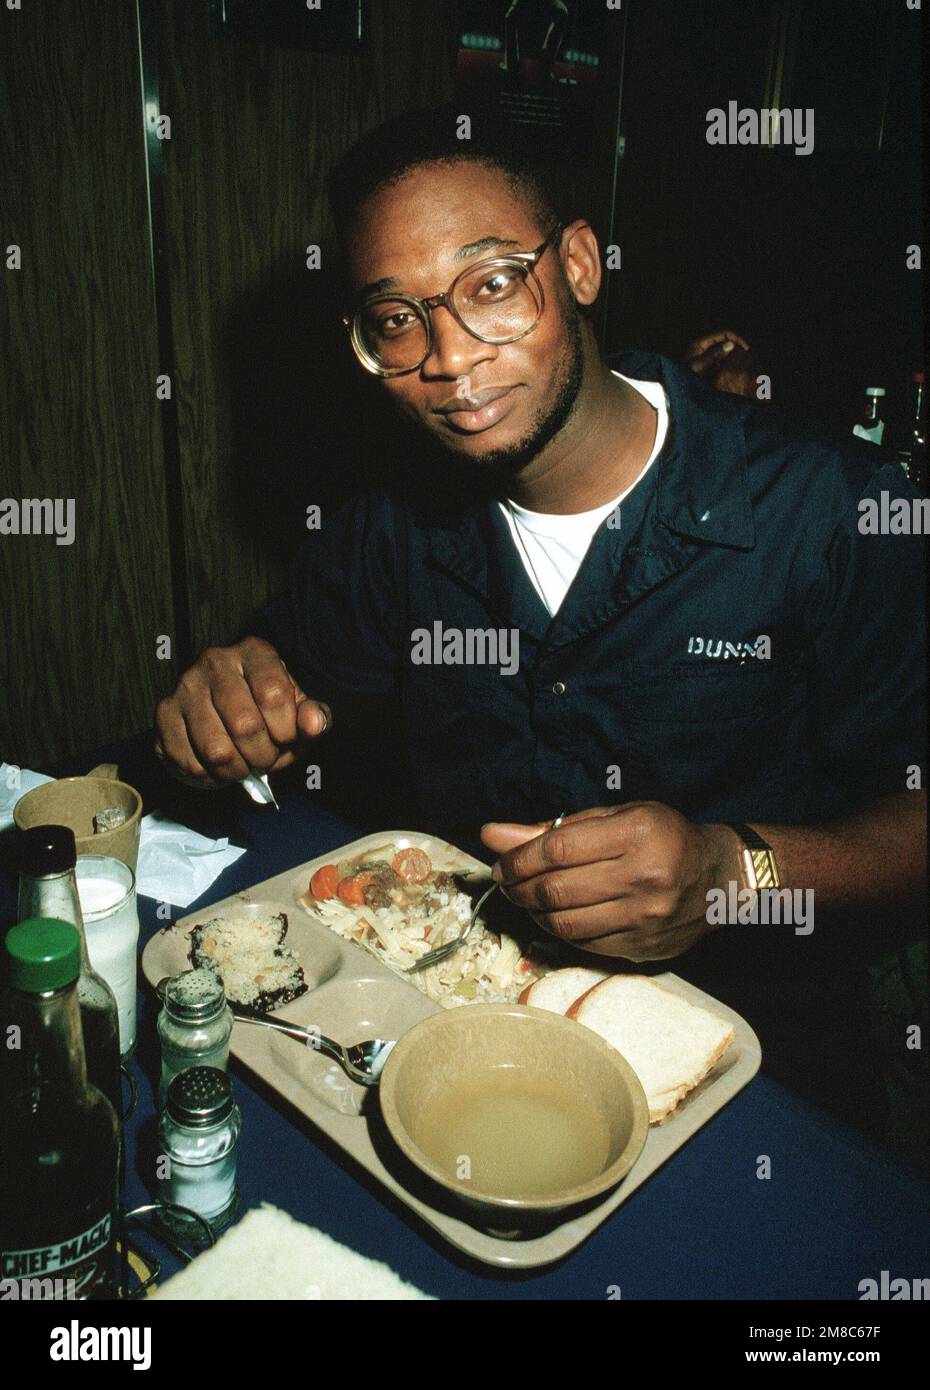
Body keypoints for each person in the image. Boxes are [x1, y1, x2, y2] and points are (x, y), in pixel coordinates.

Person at [155, 104, 927, 1168]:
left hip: (759, 1078)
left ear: (575, 265)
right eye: (395, 319)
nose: (449, 359)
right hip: (458, 1047)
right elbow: (286, 672)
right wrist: (233, 690)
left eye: (490, 287)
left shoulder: (828, 509)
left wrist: (730, 870)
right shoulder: (391, 519)